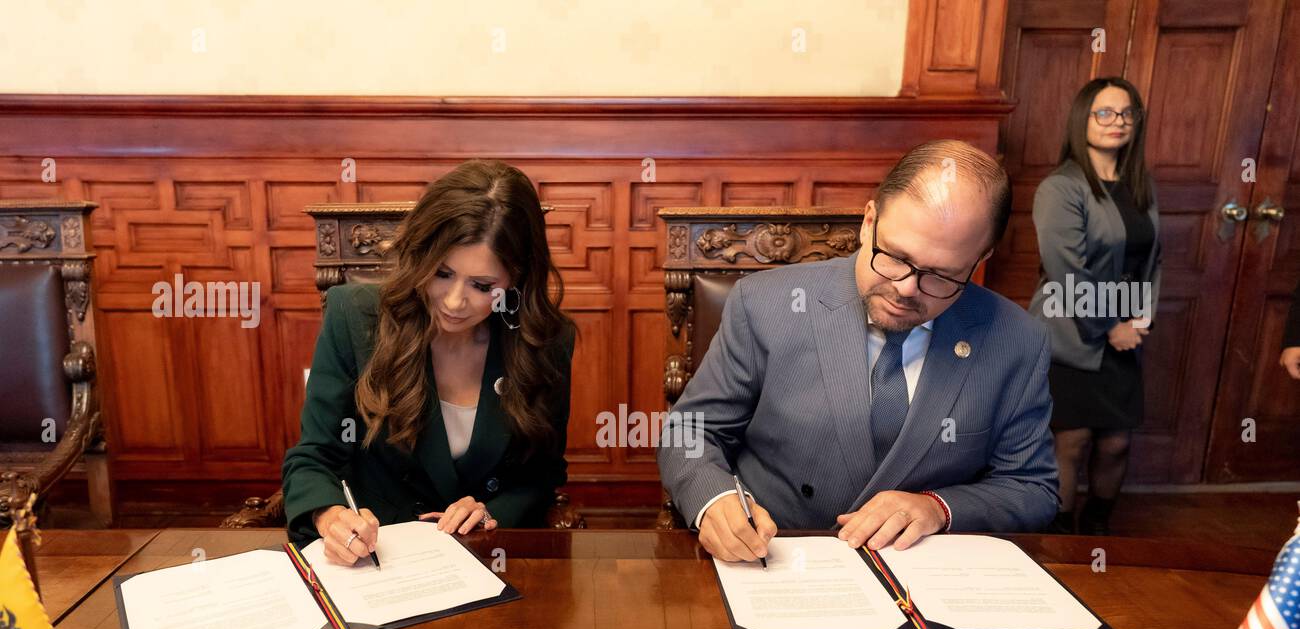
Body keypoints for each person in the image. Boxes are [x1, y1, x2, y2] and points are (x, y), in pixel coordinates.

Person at [658, 140, 1059, 563]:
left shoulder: (1016, 340)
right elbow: (690, 430)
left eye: (942, 275)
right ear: (869, 222)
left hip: (920, 576)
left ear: (980, 259)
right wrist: (714, 498)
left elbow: (1032, 489)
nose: (906, 289)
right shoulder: (767, 304)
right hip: (776, 559)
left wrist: (938, 508)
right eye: (896, 257)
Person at [283, 160, 576, 565]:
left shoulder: (546, 340)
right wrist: (329, 515)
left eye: (482, 286)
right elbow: (313, 457)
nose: (455, 302)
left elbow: (542, 476)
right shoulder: (355, 317)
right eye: (441, 273)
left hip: (489, 560)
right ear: (419, 256)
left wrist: (492, 513)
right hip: (376, 561)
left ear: (517, 279)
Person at [1029, 77, 1161, 534]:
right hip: (1071, 326)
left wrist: (1140, 318)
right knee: (1072, 439)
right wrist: (1110, 326)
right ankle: (1062, 538)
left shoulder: (1139, 184)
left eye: (1126, 113)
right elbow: (1067, 269)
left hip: (1125, 324)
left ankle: (1099, 534)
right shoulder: (1061, 187)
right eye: (1104, 112)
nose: (1117, 122)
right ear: (1082, 119)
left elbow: (1152, 259)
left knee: (1116, 442)